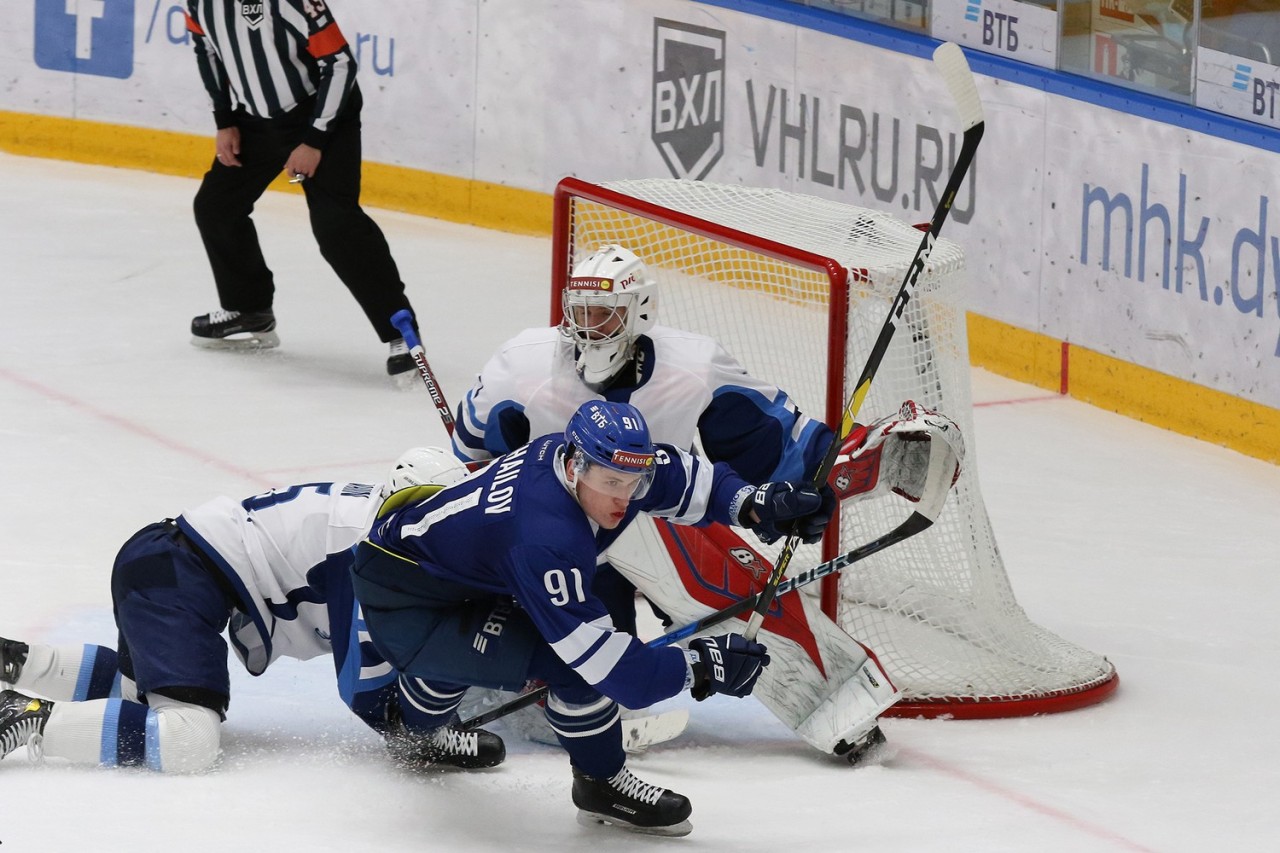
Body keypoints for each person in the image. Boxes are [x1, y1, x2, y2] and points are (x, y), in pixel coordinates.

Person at [448, 243, 915, 762]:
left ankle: (842, 704)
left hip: (657, 513)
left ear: (639, 311)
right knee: (587, 661)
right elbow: (469, 464)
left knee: (730, 586)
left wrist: (812, 484)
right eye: (579, 312)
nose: (587, 327)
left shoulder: (692, 365)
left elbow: (771, 439)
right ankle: (506, 674)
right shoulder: (522, 366)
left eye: (604, 314)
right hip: (551, 538)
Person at [350, 401, 834, 836]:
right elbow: (615, 673)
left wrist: (753, 504)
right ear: (576, 465)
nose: (625, 499)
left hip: (458, 573)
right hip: (404, 598)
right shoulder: (545, 538)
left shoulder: (592, 463)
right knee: (570, 667)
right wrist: (700, 666)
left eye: (633, 483)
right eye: (612, 485)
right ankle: (590, 783)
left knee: (536, 646)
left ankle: (422, 727)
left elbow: (681, 477)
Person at [0, 448, 495, 772]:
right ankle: (27, 715)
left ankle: (16, 660)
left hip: (165, 560)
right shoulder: (366, 551)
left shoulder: (379, 516)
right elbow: (361, 684)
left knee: (142, 698)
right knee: (186, 743)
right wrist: (419, 731)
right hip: (181, 576)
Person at [183, 0, 418, 376]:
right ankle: (249, 310)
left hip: (321, 114)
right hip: (253, 122)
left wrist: (314, 140)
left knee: (336, 227)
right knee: (216, 207)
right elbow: (206, 49)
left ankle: (401, 331)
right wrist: (224, 120)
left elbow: (340, 63)